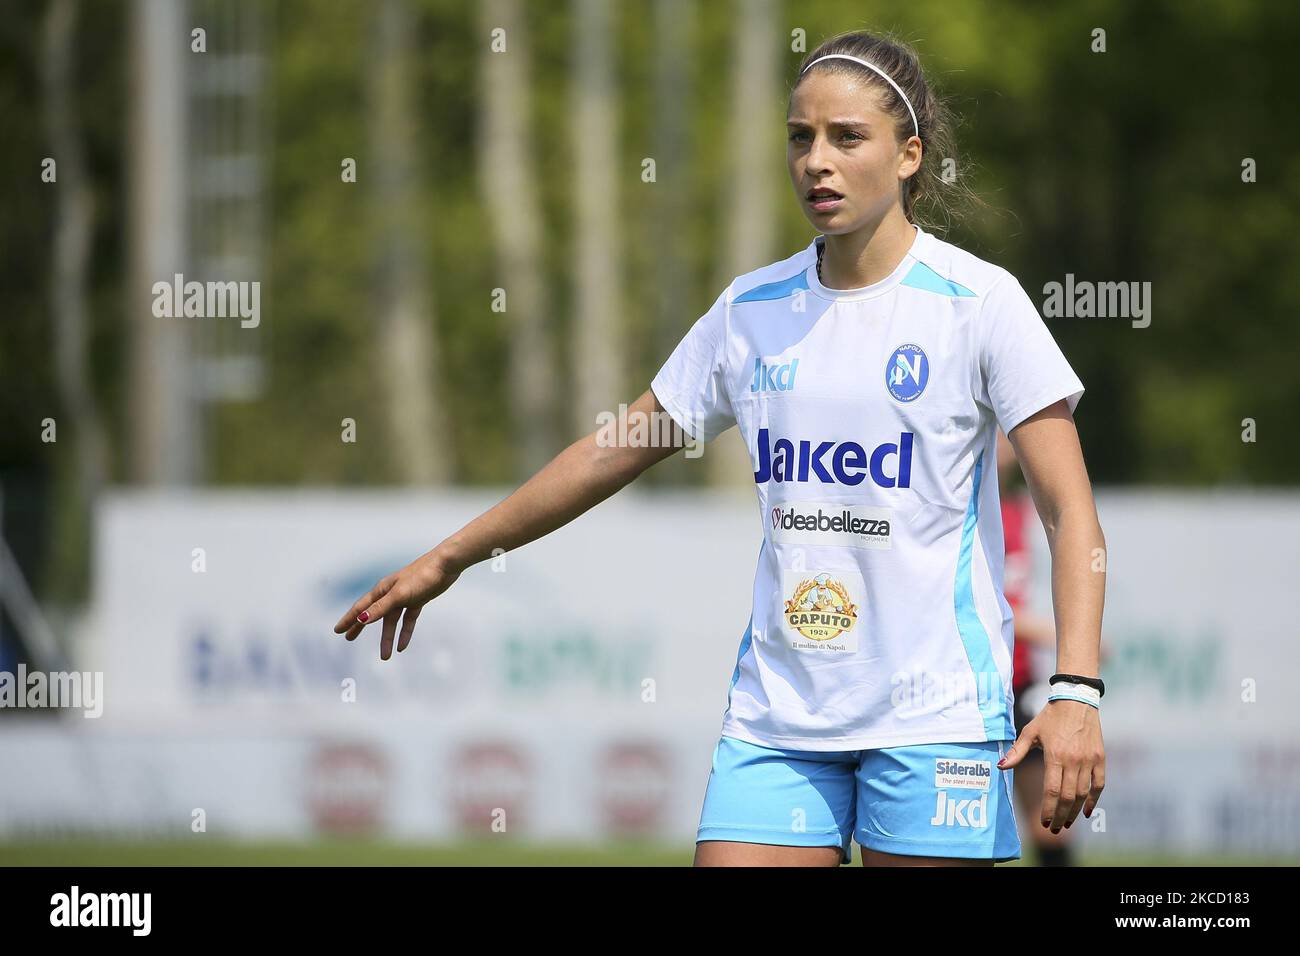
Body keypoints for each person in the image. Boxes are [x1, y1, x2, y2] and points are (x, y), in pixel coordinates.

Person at [333, 29, 1106, 867]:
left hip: (937, 717)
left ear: (910, 154)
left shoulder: (980, 303)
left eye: (848, 138)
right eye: (800, 137)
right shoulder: (751, 310)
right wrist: (453, 556)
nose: (818, 160)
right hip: (778, 717)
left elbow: (1071, 516)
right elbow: (611, 451)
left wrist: (1074, 691)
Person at [996, 428, 1077, 866]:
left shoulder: (1017, 510)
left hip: (1020, 683)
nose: (1009, 440)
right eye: (998, 431)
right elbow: (991, 607)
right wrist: (1063, 636)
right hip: (977, 687)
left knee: (1050, 821)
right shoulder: (969, 513)